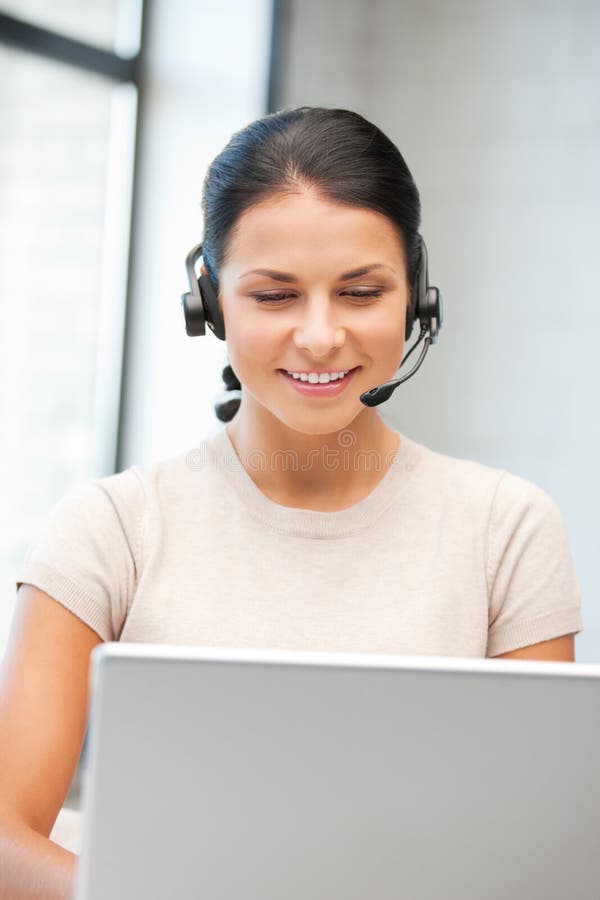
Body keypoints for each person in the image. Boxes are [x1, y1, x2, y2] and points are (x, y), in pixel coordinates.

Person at [0, 106, 583, 898]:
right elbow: (6, 840)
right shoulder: (111, 530)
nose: (319, 336)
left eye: (361, 292)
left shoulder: (506, 530)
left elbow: (539, 851)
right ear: (207, 302)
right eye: (275, 296)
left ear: (415, 295)